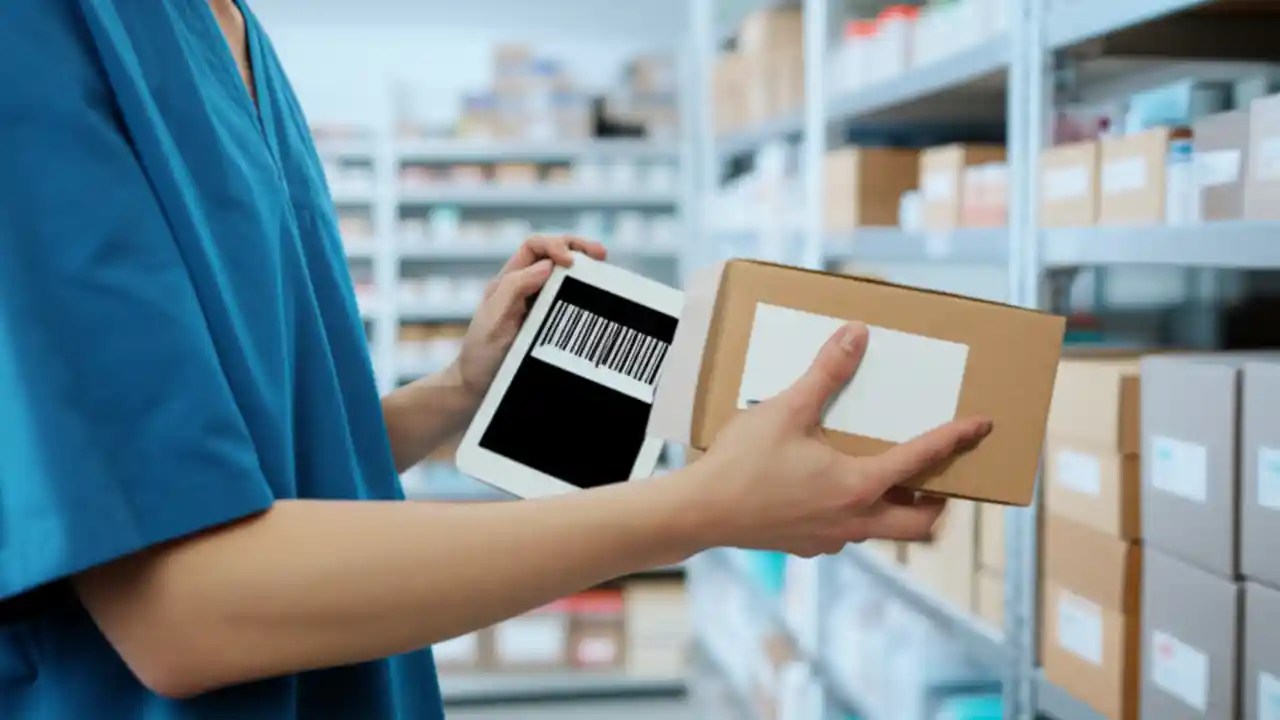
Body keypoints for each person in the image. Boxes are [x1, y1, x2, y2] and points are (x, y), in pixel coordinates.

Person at [0, 1, 992, 718]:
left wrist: (456, 393)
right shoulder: (42, 35)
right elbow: (184, 609)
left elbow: (236, 457)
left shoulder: (231, 26)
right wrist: (700, 510)